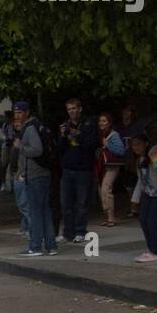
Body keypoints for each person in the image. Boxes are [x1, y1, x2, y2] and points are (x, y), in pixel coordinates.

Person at [17, 103, 57, 257]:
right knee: (44, 211)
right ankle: (51, 245)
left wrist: (21, 147)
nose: (17, 116)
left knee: (35, 212)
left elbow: (36, 149)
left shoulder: (29, 128)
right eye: (16, 113)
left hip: (35, 174)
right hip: (43, 173)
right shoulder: (36, 125)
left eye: (20, 112)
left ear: (27, 112)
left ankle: (35, 246)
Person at [56, 98, 99, 243]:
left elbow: (92, 144)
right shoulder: (65, 125)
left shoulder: (89, 124)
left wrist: (77, 134)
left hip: (83, 168)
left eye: (74, 108)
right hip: (68, 168)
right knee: (65, 202)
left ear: (80, 109)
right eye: (69, 109)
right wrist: (63, 135)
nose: (72, 111)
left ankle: (80, 230)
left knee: (82, 202)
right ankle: (68, 231)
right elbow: (60, 149)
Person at [131, 137, 157, 262]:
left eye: (138, 144)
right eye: (133, 145)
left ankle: (155, 251)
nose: (136, 147)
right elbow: (140, 180)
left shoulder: (153, 156)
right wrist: (135, 199)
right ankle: (151, 249)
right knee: (143, 219)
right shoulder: (139, 161)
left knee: (151, 219)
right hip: (147, 192)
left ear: (146, 144)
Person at [94, 112, 127, 226]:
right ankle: (107, 216)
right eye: (100, 121)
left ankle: (111, 217)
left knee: (105, 189)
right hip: (102, 166)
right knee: (101, 190)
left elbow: (121, 151)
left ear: (109, 123)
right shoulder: (100, 134)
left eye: (104, 121)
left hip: (112, 166)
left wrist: (108, 145)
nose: (101, 123)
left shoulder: (114, 135)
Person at [2, 106, 30, 237]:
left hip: (22, 174)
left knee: (24, 204)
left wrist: (22, 174)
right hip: (16, 172)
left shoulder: (25, 136)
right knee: (22, 203)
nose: (17, 124)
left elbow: (26, 156)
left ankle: (31, 228)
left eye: (19, 122)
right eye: (15, 122)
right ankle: (25, 226)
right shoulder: (15, 137)